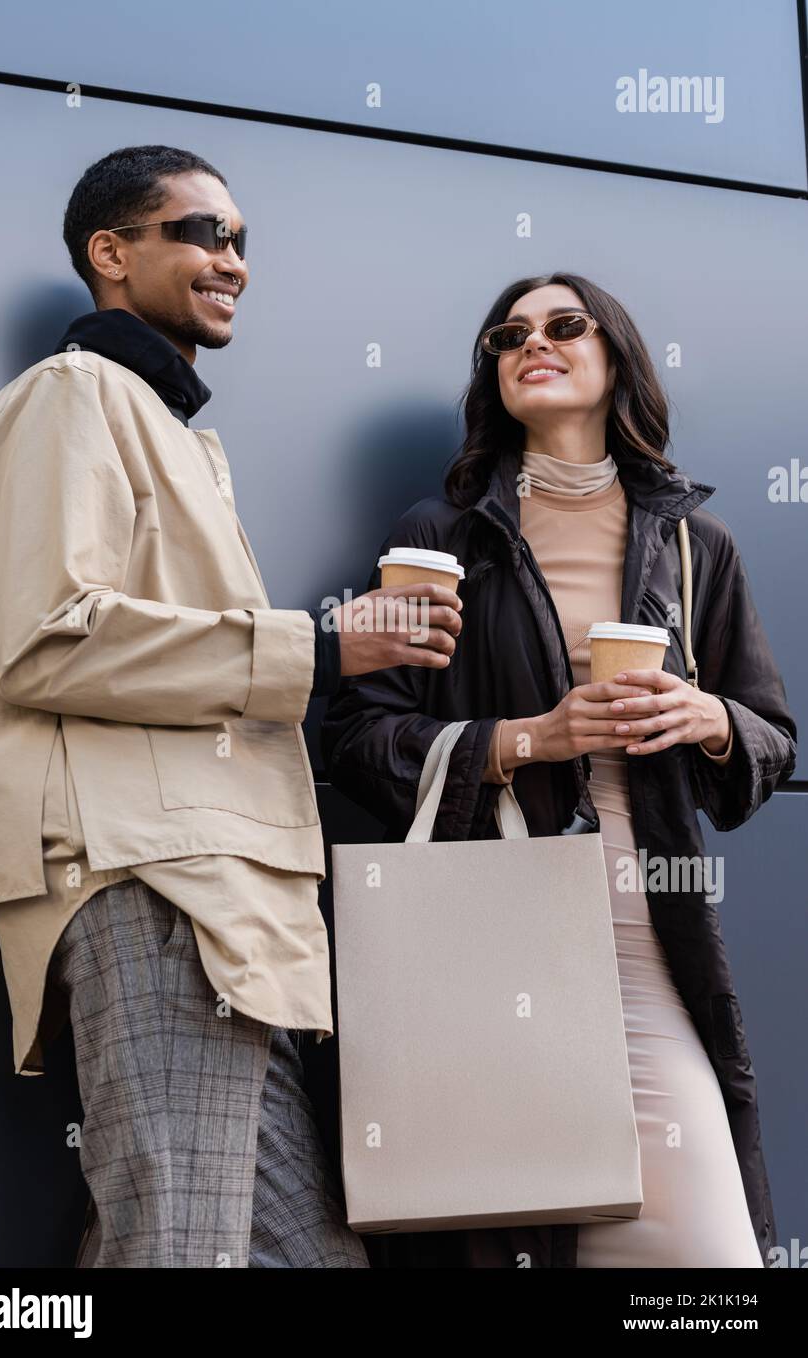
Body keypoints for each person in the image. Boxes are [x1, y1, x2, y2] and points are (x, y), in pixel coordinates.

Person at [0, 143, 463, 1268]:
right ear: (111, 252)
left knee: (293, 1251)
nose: (231, 259)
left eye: (241, 240)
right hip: (153, 882)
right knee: (176, 1238)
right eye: (200, 232)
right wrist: (325, 645)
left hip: (229, 902)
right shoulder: (69, 395)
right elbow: (48, 640)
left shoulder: (174, 433)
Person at [321, 271, 797, 1269]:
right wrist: (533, 737)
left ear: (615, 355)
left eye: (564, 325)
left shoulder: (694, 547)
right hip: (491, 931)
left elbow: (770, 740)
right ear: (492, 376)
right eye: (508, 335)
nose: (532, 341)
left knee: (708, 1263)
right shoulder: (440, 538)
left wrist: (706, 716)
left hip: (649, 935)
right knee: (510, 1234)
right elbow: (358, 736)